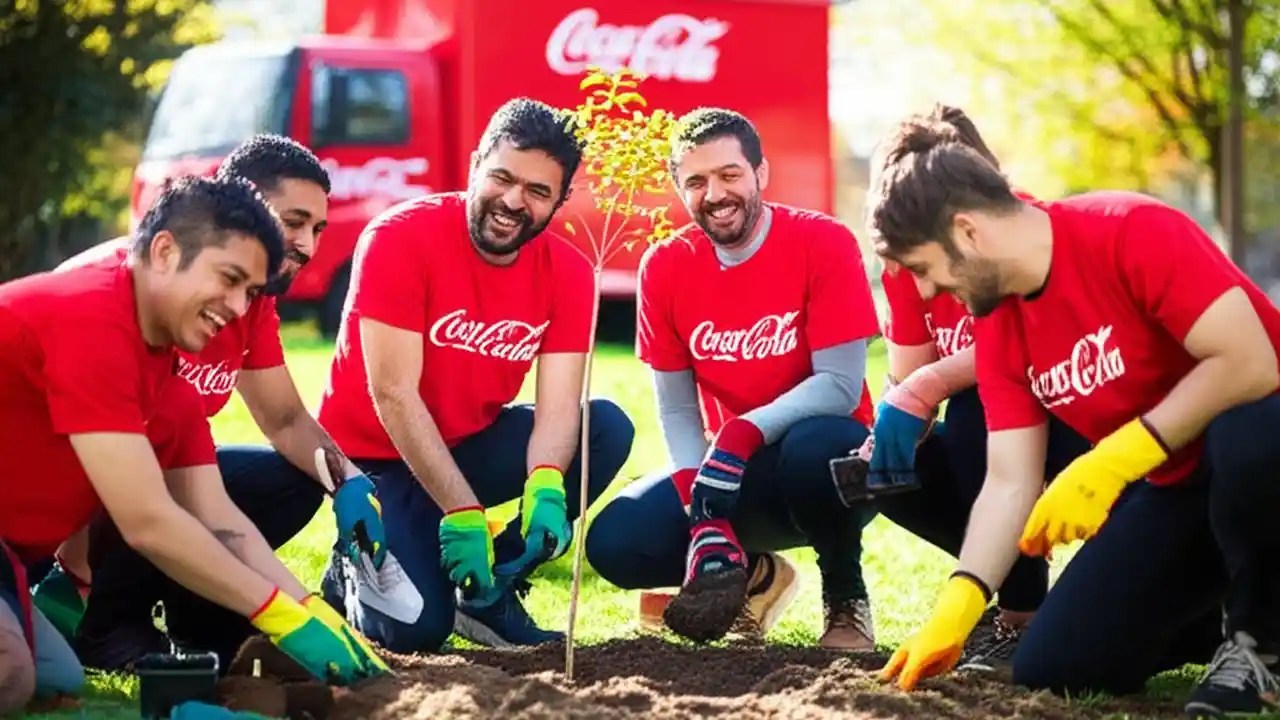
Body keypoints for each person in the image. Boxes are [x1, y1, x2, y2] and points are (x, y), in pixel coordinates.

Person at [868, 115, 1280, 718]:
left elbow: (1251, 364)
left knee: (1249, 435)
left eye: (927, 269)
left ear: (967, 231)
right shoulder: (1001, 321)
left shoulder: (1129, 229)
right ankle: (1227, 616)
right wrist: (960, 602)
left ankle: (1261, 648)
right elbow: (1010, 480)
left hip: (1262, 447)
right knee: (1056, 664)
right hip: (1179, 489)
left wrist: (1118, 458)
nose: (927, 293)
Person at [0, 175, 385, 715]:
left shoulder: (170, 385)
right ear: (164, 251)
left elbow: (219, 518)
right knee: (12, 676)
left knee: (59, 681)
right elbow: (148, 522)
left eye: (249, 291)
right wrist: (278, 615)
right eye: (227, 278)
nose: (235, 305)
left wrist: (313, 613)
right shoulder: (90, 317)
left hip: (11, 558)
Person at [315, 97, 635, 652]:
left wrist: (546, 484)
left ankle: (489, 591)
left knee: (605, 428)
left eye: (538, 192)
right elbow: (392, 395)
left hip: (465, 446)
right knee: (416, 631)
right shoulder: (399, 237)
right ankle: (351, 566)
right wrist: (463, 513)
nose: (513, 201)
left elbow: (558, 408)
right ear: (474, 165)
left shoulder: (571, 274)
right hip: (373, 463)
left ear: (559, 201)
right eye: (502, 178)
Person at [584, 107, 881, 649]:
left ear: (760, 175)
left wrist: (739, 435)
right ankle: (758, 575)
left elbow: (840, 386)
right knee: (615, 541)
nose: (715, 194)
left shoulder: (824, 241)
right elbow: (676, 408)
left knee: (816, 445)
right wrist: (703, 518)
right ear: (679, 189)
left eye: (729, 175)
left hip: (832, 467)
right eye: (696, 181)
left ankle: (845, 600)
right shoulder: (665, 266)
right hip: (731, 474)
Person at [863, 104, 1091, 667]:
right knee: (895, 471)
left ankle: (1022, 614)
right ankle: (1007, 588)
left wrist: (932, 382)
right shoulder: (903, 268)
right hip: (999, 429)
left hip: (1064, 414)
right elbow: (910, 369)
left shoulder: (1021, 232)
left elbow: (1031, 347)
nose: (920, 287)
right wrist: (896, 420)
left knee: (972, 417)